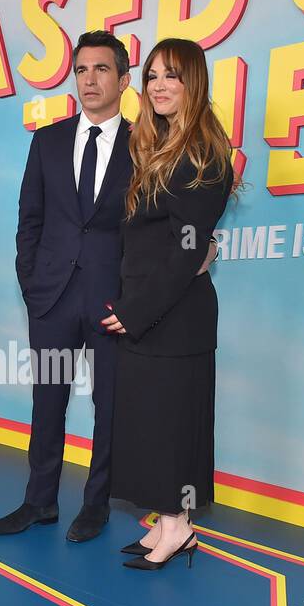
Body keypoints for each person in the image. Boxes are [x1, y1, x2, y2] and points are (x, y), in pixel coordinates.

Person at [0, 31, 134, 544]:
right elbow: (30, 219)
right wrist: (31, 282)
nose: (89, 79)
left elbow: (148, 230)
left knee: (112, 406)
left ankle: (96, 506)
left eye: (101, 69)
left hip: (112, 303)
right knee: (48, 400)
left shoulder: (144, 145)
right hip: (51, 299)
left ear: (124, 78)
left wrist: (134, 298)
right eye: (82, 70)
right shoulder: (46, 140)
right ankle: (39, 501)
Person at [100, 38, 238, 570]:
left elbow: (186, 253)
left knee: (174, 428)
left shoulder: (203, 153)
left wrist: (134, 311)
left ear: (193, 83)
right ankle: (170, 525)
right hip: (149, 313)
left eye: (172, 76)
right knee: (151, 427)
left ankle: (179, 529)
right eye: (153, 75)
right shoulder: (156, 147)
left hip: (175, 318)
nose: (159, 86)